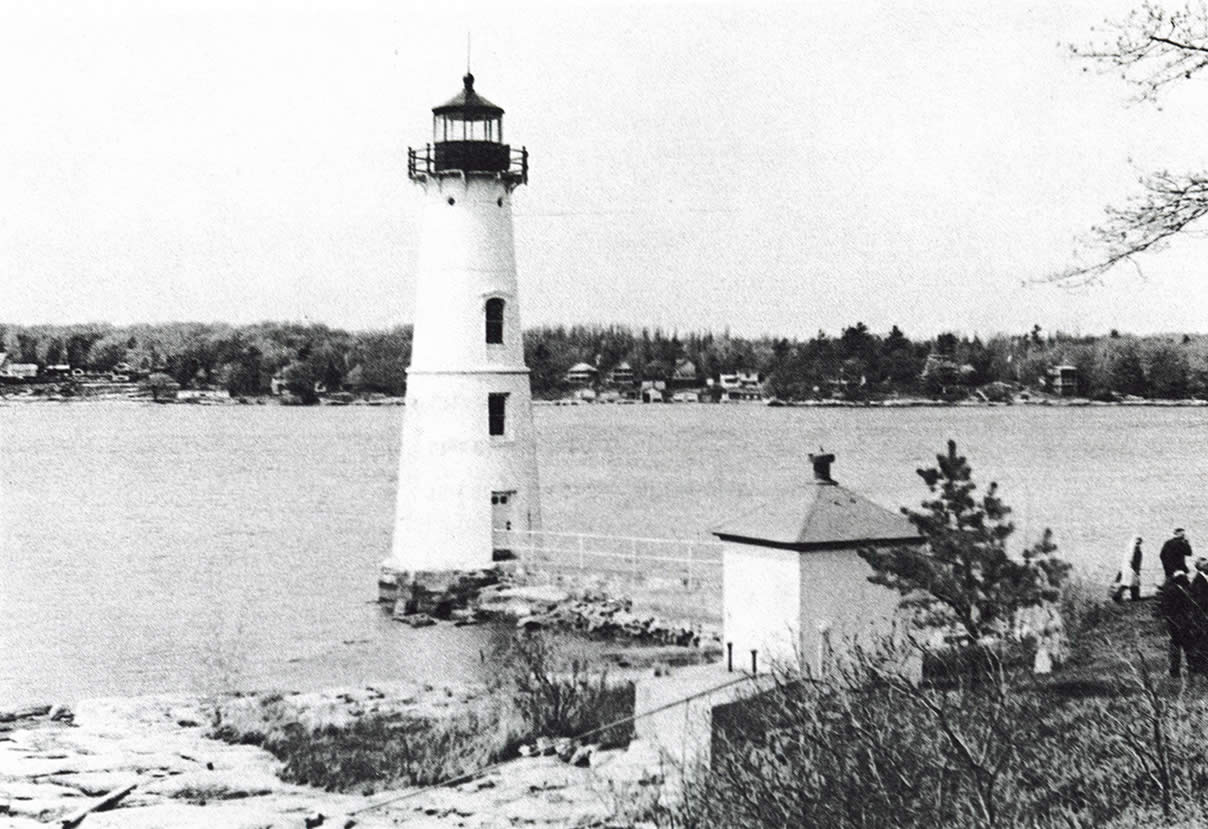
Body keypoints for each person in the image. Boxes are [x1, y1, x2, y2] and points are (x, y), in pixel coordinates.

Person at [1159, 570, 1195, 678]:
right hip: (1178, 623)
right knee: (1185, 645)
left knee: (1176, 646)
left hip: (1175, 623)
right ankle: (1183, 669)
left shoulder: (1172, 589)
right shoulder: (1176, 590)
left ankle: (1175, 670)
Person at [1111, 536, 1144, 602]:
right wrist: (1136, 570)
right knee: (1129, 584)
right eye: (1137, 543)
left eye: (1139, 543)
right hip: (1131, 569)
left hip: (1128, 569)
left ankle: (1134, 597)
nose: (1138, 544)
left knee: (1132, 584)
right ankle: (1117, 596)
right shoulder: (1134, 551)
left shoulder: (1130, 550)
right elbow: (1133, 561)